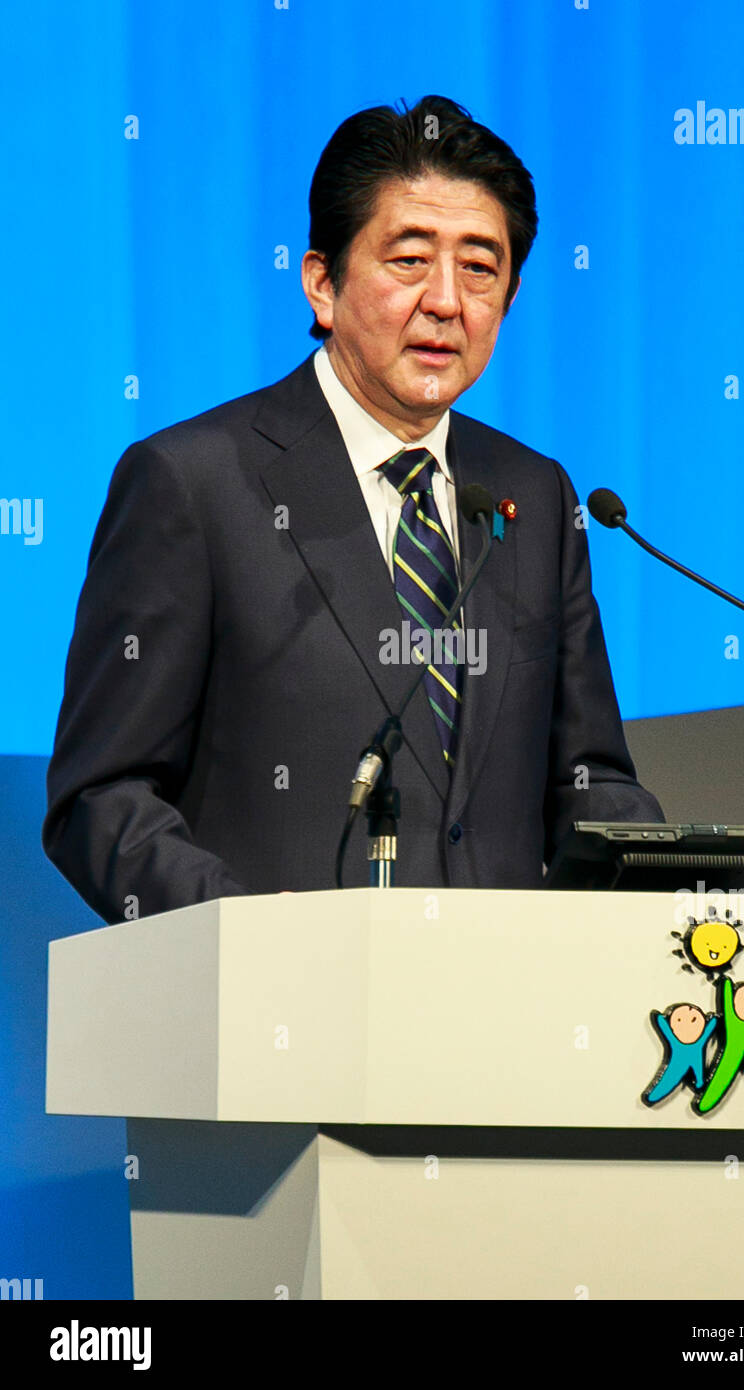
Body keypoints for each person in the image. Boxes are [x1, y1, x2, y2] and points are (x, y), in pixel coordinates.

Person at [42, 94, 663, 925]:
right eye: (410, 260)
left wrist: (685, 882)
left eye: (480, 267)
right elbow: (101, 795)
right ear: (323, 284)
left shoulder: (534, 494)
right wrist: (253, 935)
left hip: (501, 1026)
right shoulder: (193, 483)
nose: (447, 301)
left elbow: (587, 783)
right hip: (279, 1025)